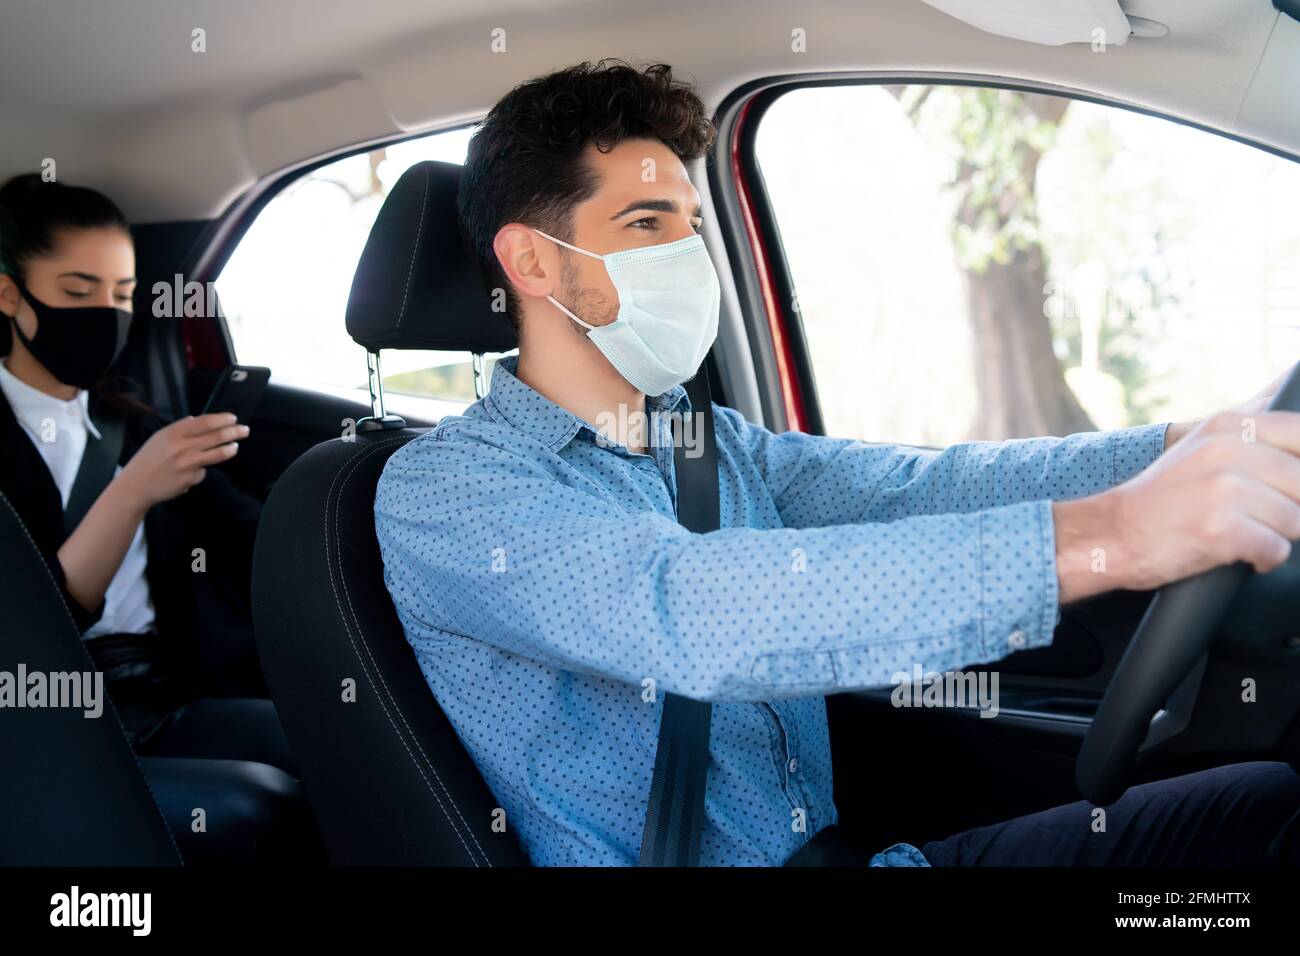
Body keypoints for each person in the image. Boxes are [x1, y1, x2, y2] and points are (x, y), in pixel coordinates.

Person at [374, 60, 1300, 866]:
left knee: (1264, 806)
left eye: (692, 225)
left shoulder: (710, 444)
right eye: (648, 225)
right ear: (533, 262)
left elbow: (921, 488)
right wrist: (1122, 534)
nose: (692, 256)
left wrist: (1193, 442)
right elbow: (686, 609)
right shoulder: (447, 493)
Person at [0, 174, 323, 864]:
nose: (107, 317)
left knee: (343, 746)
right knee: (258, 806)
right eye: (78, 293)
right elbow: (29, 626)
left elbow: (254, 538)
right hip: (39, 718)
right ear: (10, 297)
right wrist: (134, 489)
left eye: (122, 295)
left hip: (163, 696)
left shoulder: (137, 420)